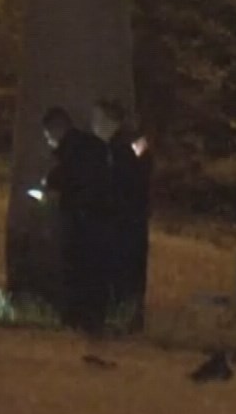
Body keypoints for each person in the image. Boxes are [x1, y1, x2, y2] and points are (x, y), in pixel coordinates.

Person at [39, 106, 113, 334]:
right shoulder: (94, 146)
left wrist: (48, 184)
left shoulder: (73, 151)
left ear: (57, 130)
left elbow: (68, 178)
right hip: (100, 219)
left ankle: (76, 319)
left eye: (49, 137)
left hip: (80, 220)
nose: (49, 142)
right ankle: (93, 319)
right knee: (94, 272)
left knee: (76, 269)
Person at [94, 98, 153, 331]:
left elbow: (127, 180)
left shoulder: (122, 148)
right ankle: (125, 315)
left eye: (97, 119)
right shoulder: (130, 145)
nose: (94, 125)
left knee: (123, 270)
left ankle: (123, 317)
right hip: (130, 218)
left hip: (124, 219)